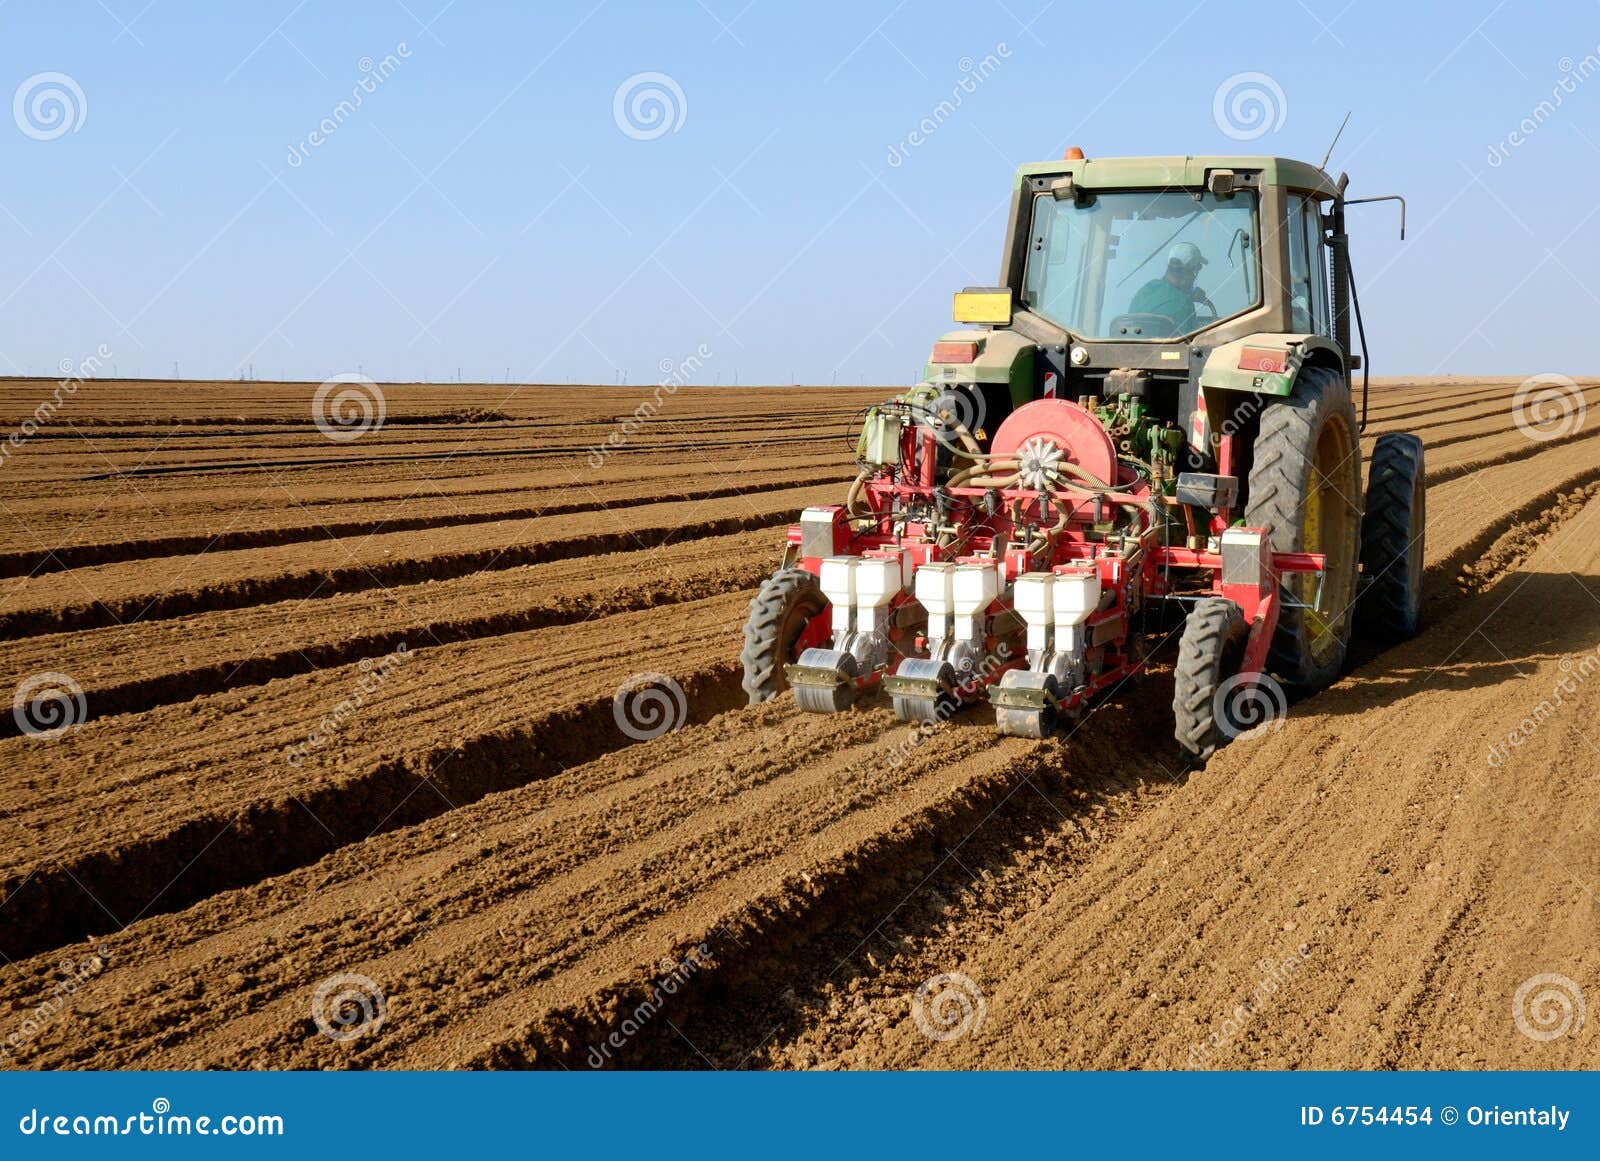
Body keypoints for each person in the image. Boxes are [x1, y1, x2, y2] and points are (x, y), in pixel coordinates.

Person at [1128, 242, 1213, 334]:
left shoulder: (1146, 290)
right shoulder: (1184, 304)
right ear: (1191, 271)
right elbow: (1193, 343)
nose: (1194, 277)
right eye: (1197, 270)